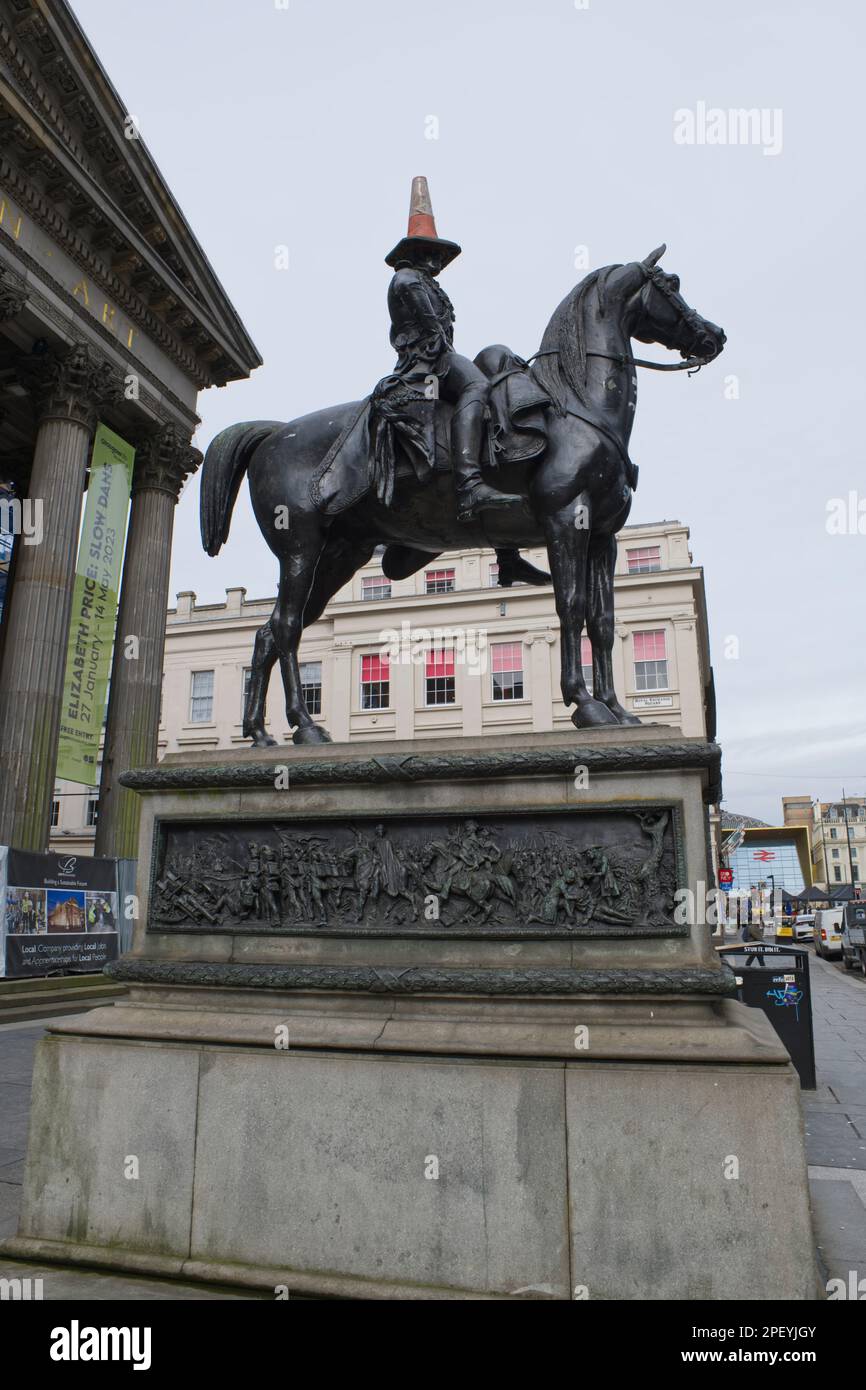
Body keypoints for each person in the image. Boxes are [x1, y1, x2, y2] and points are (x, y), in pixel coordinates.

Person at [377, 177, 523, 522]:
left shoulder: (425, 282)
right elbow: (432, 329)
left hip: (439, 358)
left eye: (439, 254)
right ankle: (470, 482)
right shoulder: (407, 280)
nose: (437, 260)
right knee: (477, 385)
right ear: (414, 252)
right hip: (424, 365)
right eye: (432, 252)